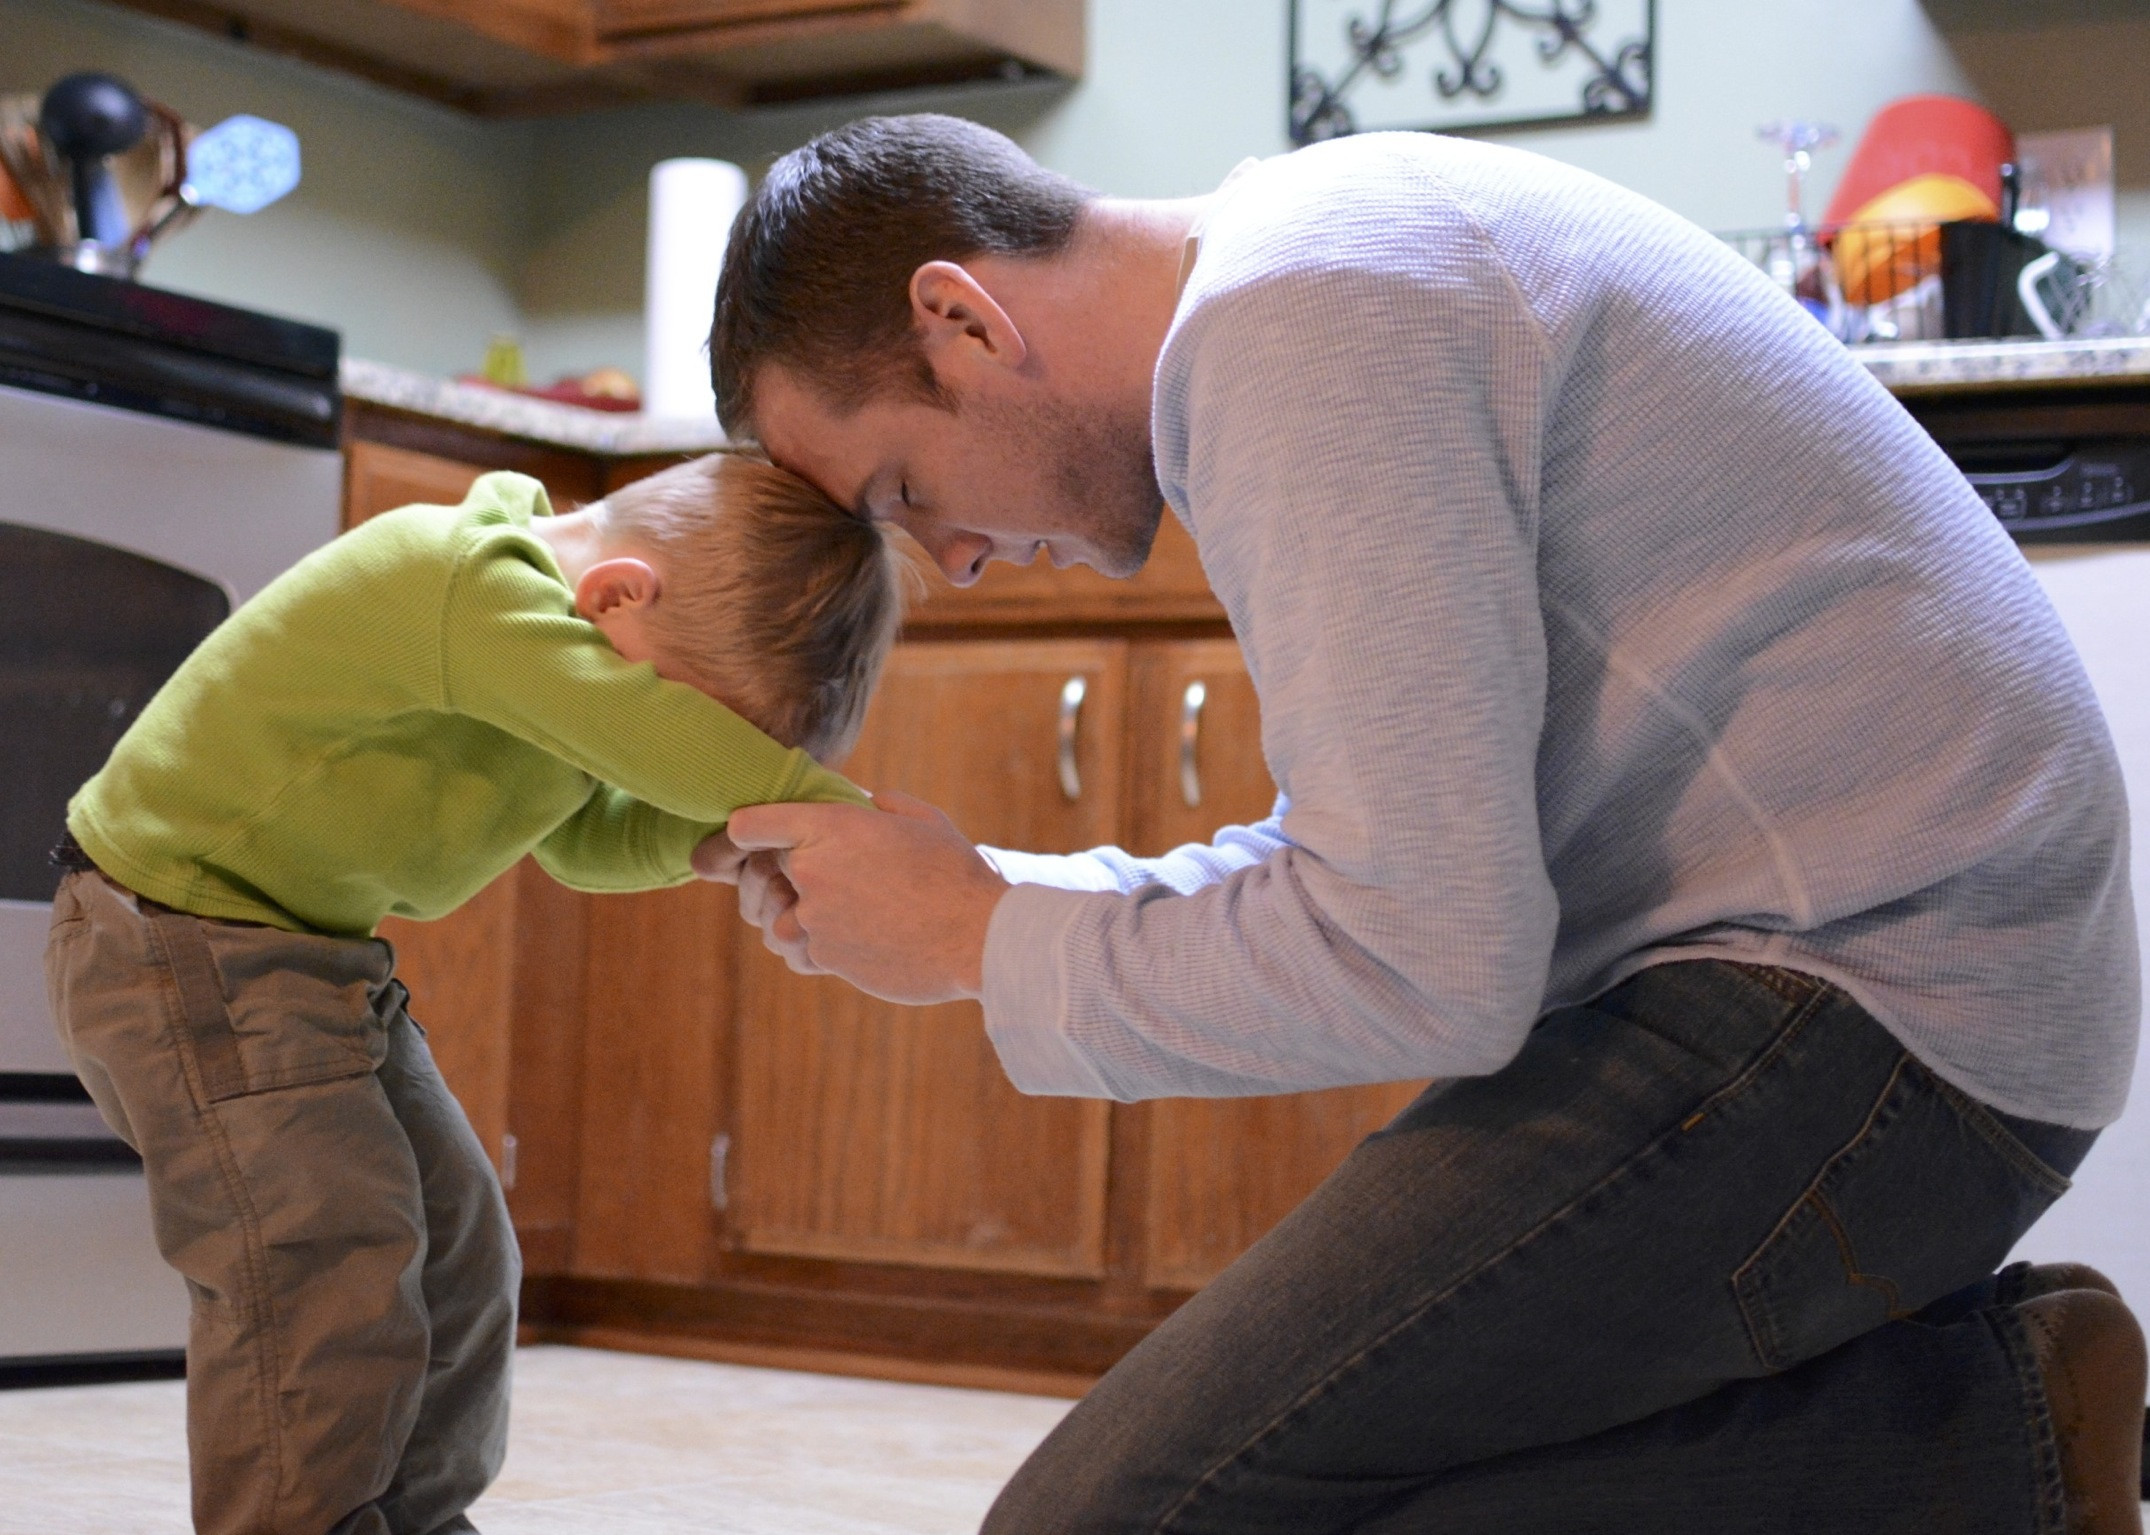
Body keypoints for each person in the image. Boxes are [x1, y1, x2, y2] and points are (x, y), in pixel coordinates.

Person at [705, 115, 2147, 1533]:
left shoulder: (1298, 322)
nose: (950, 562)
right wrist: (983, 895)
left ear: (961, 320)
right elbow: (1377, 877)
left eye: (904, 489)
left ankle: (1989, 1443)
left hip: (1878, 997)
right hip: (1895, 982)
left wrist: (973, 935)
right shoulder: (1310, 269)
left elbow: (1421, 957)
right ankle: (1978, 1437)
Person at [45, 452, 902, 1535]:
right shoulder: (459, 579)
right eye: (697, 726)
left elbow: (585, 837)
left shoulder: (555, 658)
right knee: (320, 1265)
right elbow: (656, 744)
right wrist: (862, 825)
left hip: (304, 957)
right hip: (180, 940)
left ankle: (411, 1517)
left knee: (460, 1247)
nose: (665, 750)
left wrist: (718, 839)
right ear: (618, 594)